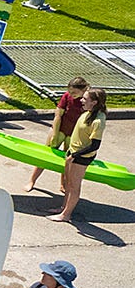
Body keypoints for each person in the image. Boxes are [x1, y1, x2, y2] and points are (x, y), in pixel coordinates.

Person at [57, 86, 107, 222]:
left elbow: (94, 145)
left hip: (81, 158)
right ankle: (63, 208)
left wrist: (75, 155)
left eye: (85, 98)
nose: (81, 101)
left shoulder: (98, 121)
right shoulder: (88, 112)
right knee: (68, 182)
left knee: (74, 186)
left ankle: (66, 215)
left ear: (94, 102)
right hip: (73, 153)